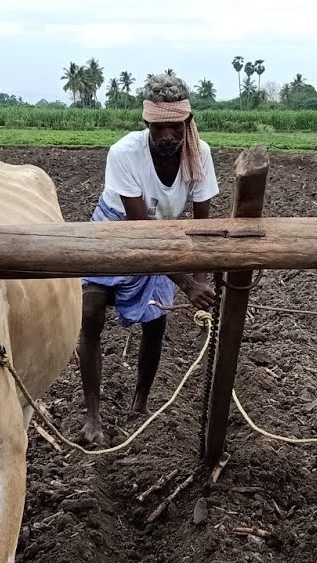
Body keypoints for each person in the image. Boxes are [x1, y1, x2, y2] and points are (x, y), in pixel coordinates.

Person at [78, 72, 219, 445]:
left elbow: (202, 228)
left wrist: (201, 282)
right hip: (116, 230)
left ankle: (140, 404)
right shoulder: (125, 153)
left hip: (163, 236)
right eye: (160, 128)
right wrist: (188, 284)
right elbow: (139, 231)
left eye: (176, 127)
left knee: (155, 323)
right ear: (147, 124)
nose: (168, 136)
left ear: (187, 122)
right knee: (91, 314)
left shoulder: (199, 155)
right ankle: (92, 415)